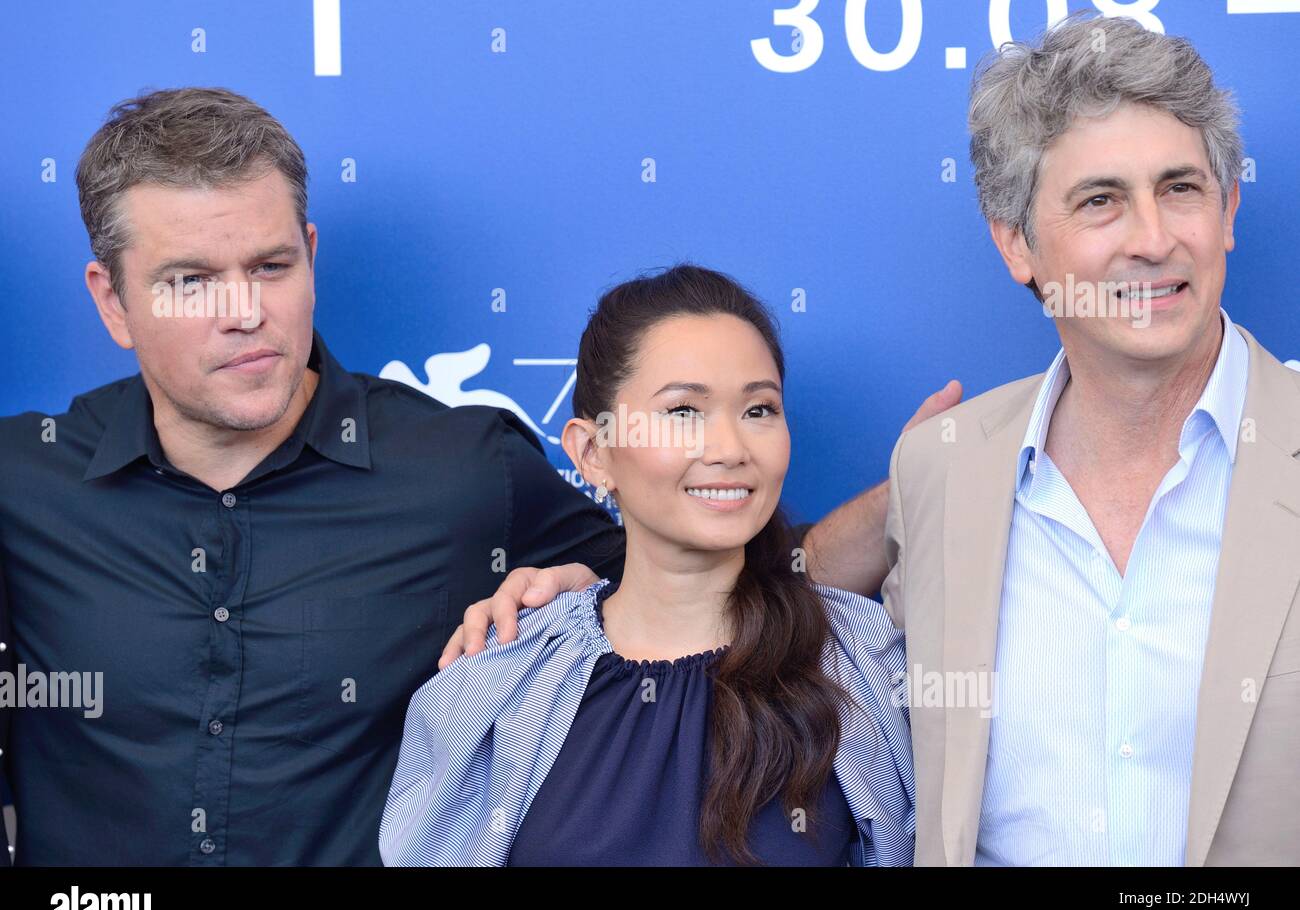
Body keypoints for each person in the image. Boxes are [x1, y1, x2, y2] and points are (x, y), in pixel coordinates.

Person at [442, 14, 1300, 866]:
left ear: (1228, 209)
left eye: (1182, 188)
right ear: (1016, 244)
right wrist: (587, 601)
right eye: (1100, 200)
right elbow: (763, 597)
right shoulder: (944, 473)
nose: (1152, 239)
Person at [0, 87, 627, 865]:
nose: (246, 312)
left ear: (311, 257)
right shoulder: (20, 484)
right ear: (114, 302)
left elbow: (719, 601)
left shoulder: (463, 470)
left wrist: (594, 595)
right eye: (191, 282)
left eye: (270, 265)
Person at [380, 265, 914, 865]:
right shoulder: (505, 678)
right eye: (683, 411)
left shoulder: (859, 656)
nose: (731, 448)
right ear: (592, 452)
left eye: (759, 410)